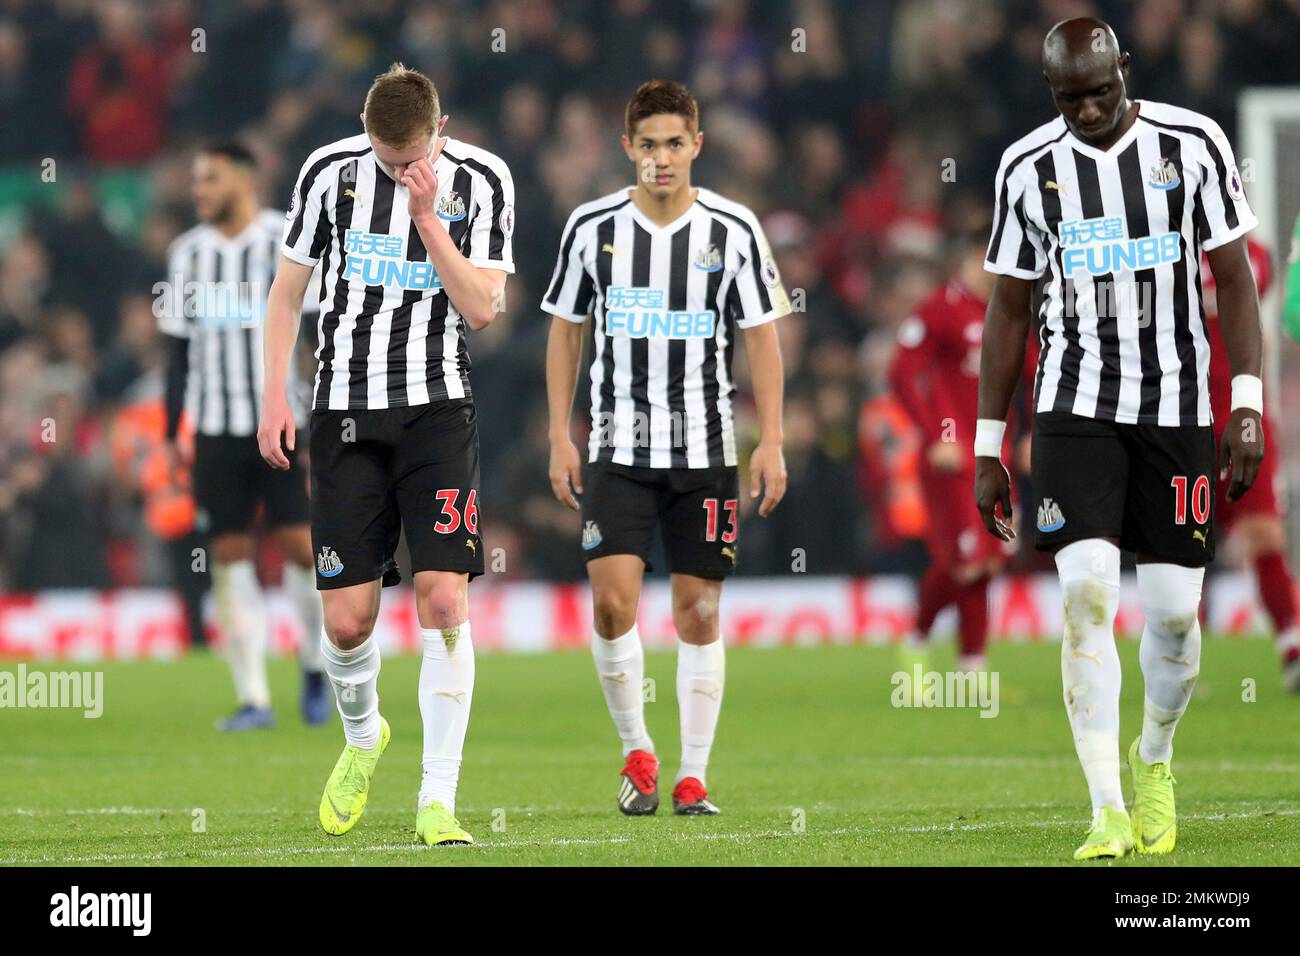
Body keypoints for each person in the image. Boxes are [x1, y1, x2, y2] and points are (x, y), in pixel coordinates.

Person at [974, 19, 1263, 860]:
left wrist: (1244, 403)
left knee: (1174, 620)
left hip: (1175, 408)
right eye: (1071, 98)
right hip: (1074, 409)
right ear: (1051, 92)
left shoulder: (1194, 144)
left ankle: (1155, 761)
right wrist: (991, 443)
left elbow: (1234, 279)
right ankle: (1105, 808)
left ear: (1124, 71)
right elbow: (1010, 307)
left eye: (1102, 90)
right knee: (1087, 597)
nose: (1091, 109)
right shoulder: (1027, 170)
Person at [259, 64, 514, 846]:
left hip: (438, 410)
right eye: (385, 157)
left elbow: (482, 309)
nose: (398, 170)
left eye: (410, 157)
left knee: (442, 600)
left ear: (439, 130)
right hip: (343, 412)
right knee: (345, 621)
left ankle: (438, 799)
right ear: (366, 133)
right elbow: (285, 294)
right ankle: (366, 738)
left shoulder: (485, 181)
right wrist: (274, 394)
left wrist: (430, 218)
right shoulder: (329, 173)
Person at [543, 79, 789, 816]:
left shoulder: (734, 229)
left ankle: (694, 775)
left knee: (699, 614)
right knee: (614, 603)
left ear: (697, 146)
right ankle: (637, 752)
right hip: (619, 450)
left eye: (673, 143)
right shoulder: (592, 228)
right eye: (647, 145)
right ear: (628, 149)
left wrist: (771, 439)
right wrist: (560, 431)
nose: (660, 158)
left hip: (706, 452)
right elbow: (565, 328)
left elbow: (761, 339)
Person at [159, 141, 328, 731]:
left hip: (284, 420)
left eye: (209, 179)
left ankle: (313, 664)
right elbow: (177, 352)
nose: (198, 190)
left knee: (299, 548)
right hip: (214, 428)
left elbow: (316, 333)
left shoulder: (287, 238)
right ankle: (254, 697)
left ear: (242, 179)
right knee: (228, 555)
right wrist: (168, 431)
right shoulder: (187, 255)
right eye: (196, 181)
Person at [889, 228, 1019, 675]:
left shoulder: (1008, 310)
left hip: (994, 455)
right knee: (965, 562)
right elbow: (902, 373)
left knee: (988, 560)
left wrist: (1030, 437)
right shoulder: (941, 308)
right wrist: (934, 436)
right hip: (954, 458)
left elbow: (1036, 375)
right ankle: (918, 636)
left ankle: (972, 666)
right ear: (979, 255)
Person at [1202, 238, 1300, 690]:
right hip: (1180, 413)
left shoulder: (1254, 253)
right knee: (1182, 540)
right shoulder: (1159, 241)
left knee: (1264, 531)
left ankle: (1292, 646)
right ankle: (1180, 660)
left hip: (1243, 413)